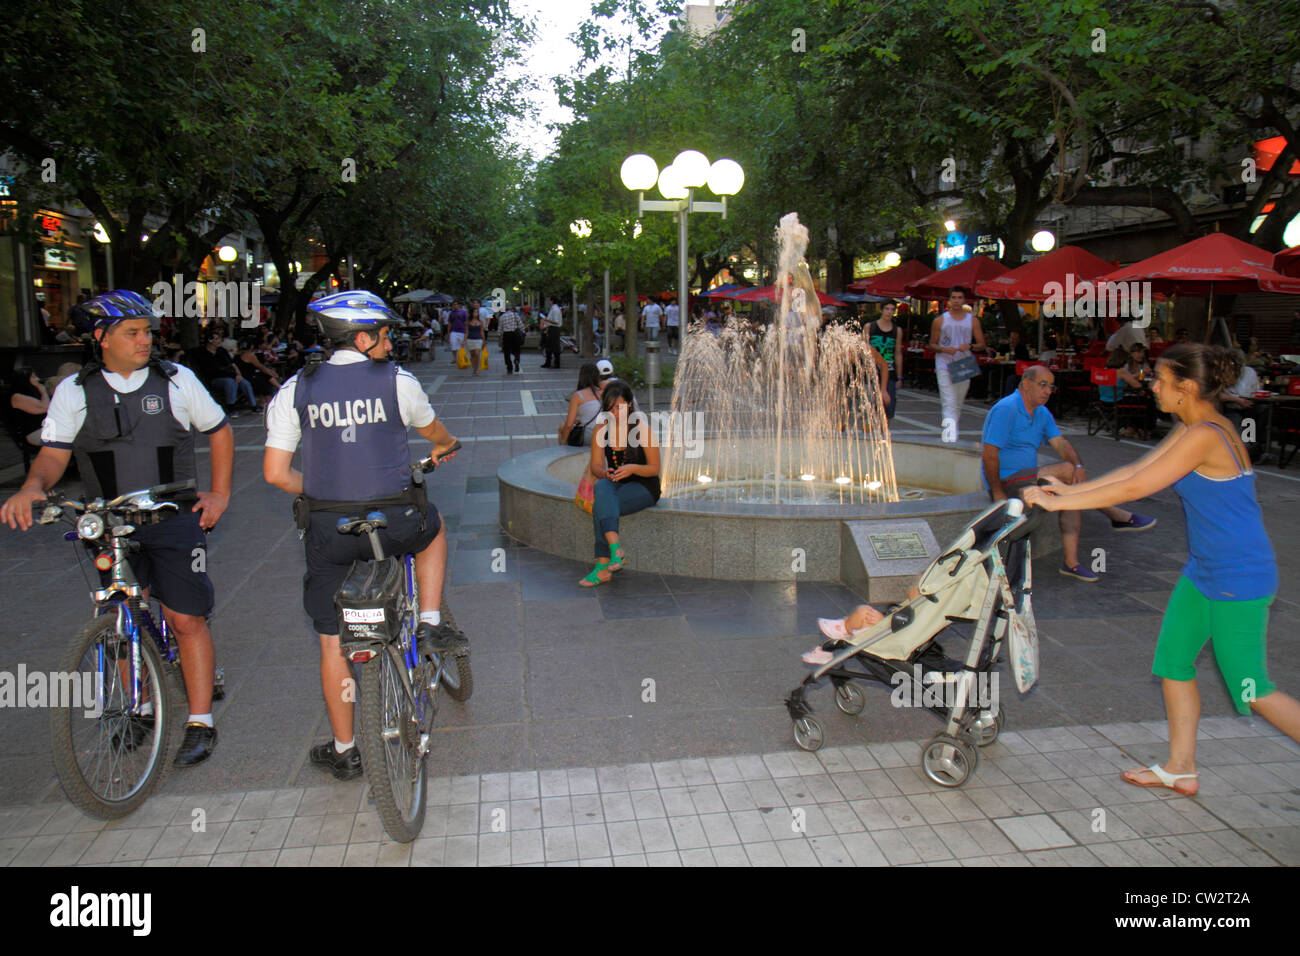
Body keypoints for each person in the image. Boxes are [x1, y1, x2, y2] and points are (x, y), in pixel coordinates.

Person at [1024, 344, 1300, 794]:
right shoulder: (1191, 425)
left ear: (1186, 388)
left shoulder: (1207, 434)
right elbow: (1134, 469)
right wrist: (1067, 494)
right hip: (1203, 571)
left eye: (1160, 379)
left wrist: (1060, 500)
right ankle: (1180, 768)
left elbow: (1136, 486)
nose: (1152, 386)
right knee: (1173, 664)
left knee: (1252, 688)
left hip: (1239, 578)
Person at [1, 290, 233, 766]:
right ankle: (138, 706)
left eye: (148, 331)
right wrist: (30, 487)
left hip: (173, 520)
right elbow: (53, 452)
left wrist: (219, 493)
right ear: (102, 339)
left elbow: (220, 430)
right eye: (133, 333)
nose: (146, 340)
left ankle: (200, 721)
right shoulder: (74, 391)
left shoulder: (176, 380)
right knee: (122, 615)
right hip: (109, 523)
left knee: (185, 619)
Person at [262, 291, 465, 780]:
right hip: (396, 521)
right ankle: (430, 621)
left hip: (330, 531)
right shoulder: (398, 381)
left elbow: (274, 473)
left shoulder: (295, 388)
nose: (392, 341)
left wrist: (321, 492)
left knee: (332, 645)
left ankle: (345, 748)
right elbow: (435, 434)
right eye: (385, 333)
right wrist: (446, 445)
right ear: (362, 337)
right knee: (432, 530)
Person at [982, 364, 1156, 582]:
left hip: (1027, 479)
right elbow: (989, 454)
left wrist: (1080, 467)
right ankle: (1116, 515)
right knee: (1066, 471)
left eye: (1051, 387)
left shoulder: (1042, 413)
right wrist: (998, 496)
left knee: (1071, 491)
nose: (1048, 391)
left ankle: (1071, 563)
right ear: (1026, 384)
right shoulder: (1006, 409)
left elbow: (1061, 444)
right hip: (1007, 481)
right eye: (1043, 385)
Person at [579, 380, 660, 586]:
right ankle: (616, 551)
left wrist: (632, 468)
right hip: (614, 481)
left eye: (619, 407)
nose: (615, 413)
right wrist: (605, 473)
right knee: (602, 487)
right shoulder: (601, 428)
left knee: (601, 504)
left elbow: (654, 468)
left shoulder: (641, 429)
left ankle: (602, 567)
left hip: (643, 485)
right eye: (610, 408)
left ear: (629, 405)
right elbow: (595, 466)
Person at [929, 287, 986, 435]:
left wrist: (970, 346)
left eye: (959, 297)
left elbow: (981, 344)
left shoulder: (972, 321)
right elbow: (932, 344)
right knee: (949, 400)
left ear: (964, 300)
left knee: (958, 401)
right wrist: (944, 349)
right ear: (949, 300)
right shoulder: (940, 320)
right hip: (944, 363)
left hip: (964, 364)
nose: (956, 300)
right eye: (953, 297)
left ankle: (952, 431)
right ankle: (950, 436)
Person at [188, 326, 256, 417]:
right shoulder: (202, 353)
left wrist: (238, 374)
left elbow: (232, 364)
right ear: (210, 341)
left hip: (230, 375)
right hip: (215, 378)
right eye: (216, 339)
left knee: (245, 383)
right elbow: (189, 352)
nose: (219, 341)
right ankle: (231, 408)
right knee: (230, 382)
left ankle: (254, 406)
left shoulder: (222, 351)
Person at [866, 302, 902, 421]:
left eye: (892, 309)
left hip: (890, 371)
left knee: (888, 407)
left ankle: (884, 434)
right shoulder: (870, 327)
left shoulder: (897, 330)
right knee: (870, 407)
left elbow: (897, 353)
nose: (889, 312)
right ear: (881, 310)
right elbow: (863, 349)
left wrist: (900, 376)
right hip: (872, 371)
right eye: (887, 309)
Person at [560, 362, 606, 447]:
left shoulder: (578, 396)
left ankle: (563, 453)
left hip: (588, 435)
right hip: (606, 433)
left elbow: (569, 424)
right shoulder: (605, 393)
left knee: (562, 428)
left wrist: (562, 443)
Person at [6, 367, 50, 446]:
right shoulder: (17, 396)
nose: (37, 379)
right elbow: (45, 408)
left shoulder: (30, 392)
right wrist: (43, 390)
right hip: (32, 433)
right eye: (33, 377)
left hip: (41, 428)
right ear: (24, 379)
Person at [498, 305, 524, 373]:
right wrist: (523, 332)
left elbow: (500, 330)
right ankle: (517, 359)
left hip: (506, 335)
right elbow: (521, 325)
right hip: (515, 334)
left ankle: (509, 367)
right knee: (517, 349)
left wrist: (500, 340)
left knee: (507, 352)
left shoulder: (502, 317)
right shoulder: (515, 315)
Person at [541, 295, 563, 369]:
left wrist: (546, 320)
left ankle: (556, 363)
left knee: (554, 346)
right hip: (551, 328)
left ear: (552, 301)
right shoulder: (553, 309)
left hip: (554, 329)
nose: (548, 302)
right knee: (549, 346)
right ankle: (548, 362)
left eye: (549, 300)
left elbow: (556, 322)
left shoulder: (555, 309)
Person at [466, 307, 485, 376]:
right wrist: (463, 341)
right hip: (470, 339)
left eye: (477, 312)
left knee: (477, 353)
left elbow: (482, 331)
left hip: (478, 339)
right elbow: (466, 332)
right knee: (472, 354)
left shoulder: (481, 322)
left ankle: (477, 369)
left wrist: (484, 341)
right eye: (474, 312)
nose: (475, 314)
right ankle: (474, 369)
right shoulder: (468, 322)